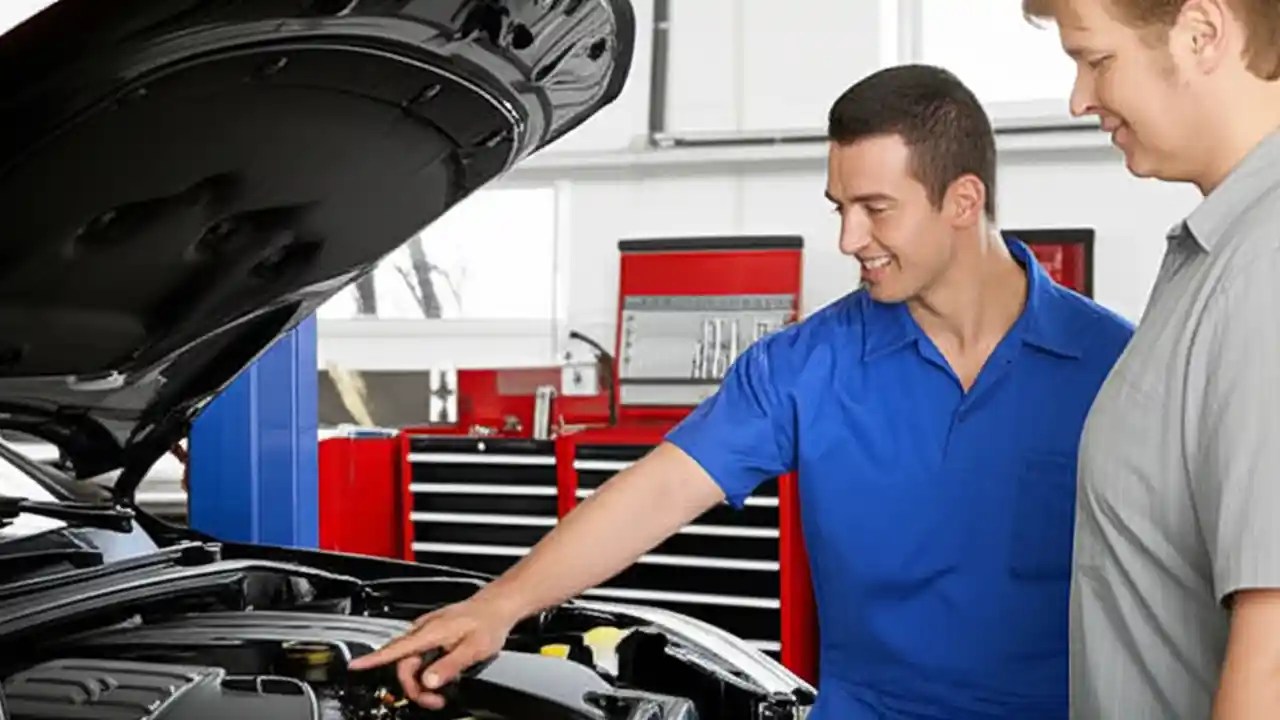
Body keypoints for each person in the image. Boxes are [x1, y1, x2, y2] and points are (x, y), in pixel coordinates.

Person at [348, 64, 1134, 719]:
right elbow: (653, 493)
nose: (848, 240)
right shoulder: (805, 366)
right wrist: (496, 607)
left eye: (875, 210)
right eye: (840, 208)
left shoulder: (1115, 362)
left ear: (963, 201)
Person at [1020, 0, 1280, 717]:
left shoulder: (1265, 265)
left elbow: (1274, 667)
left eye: (1097, 60)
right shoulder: (1216, 253)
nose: (1079, 100)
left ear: (1201, 33)